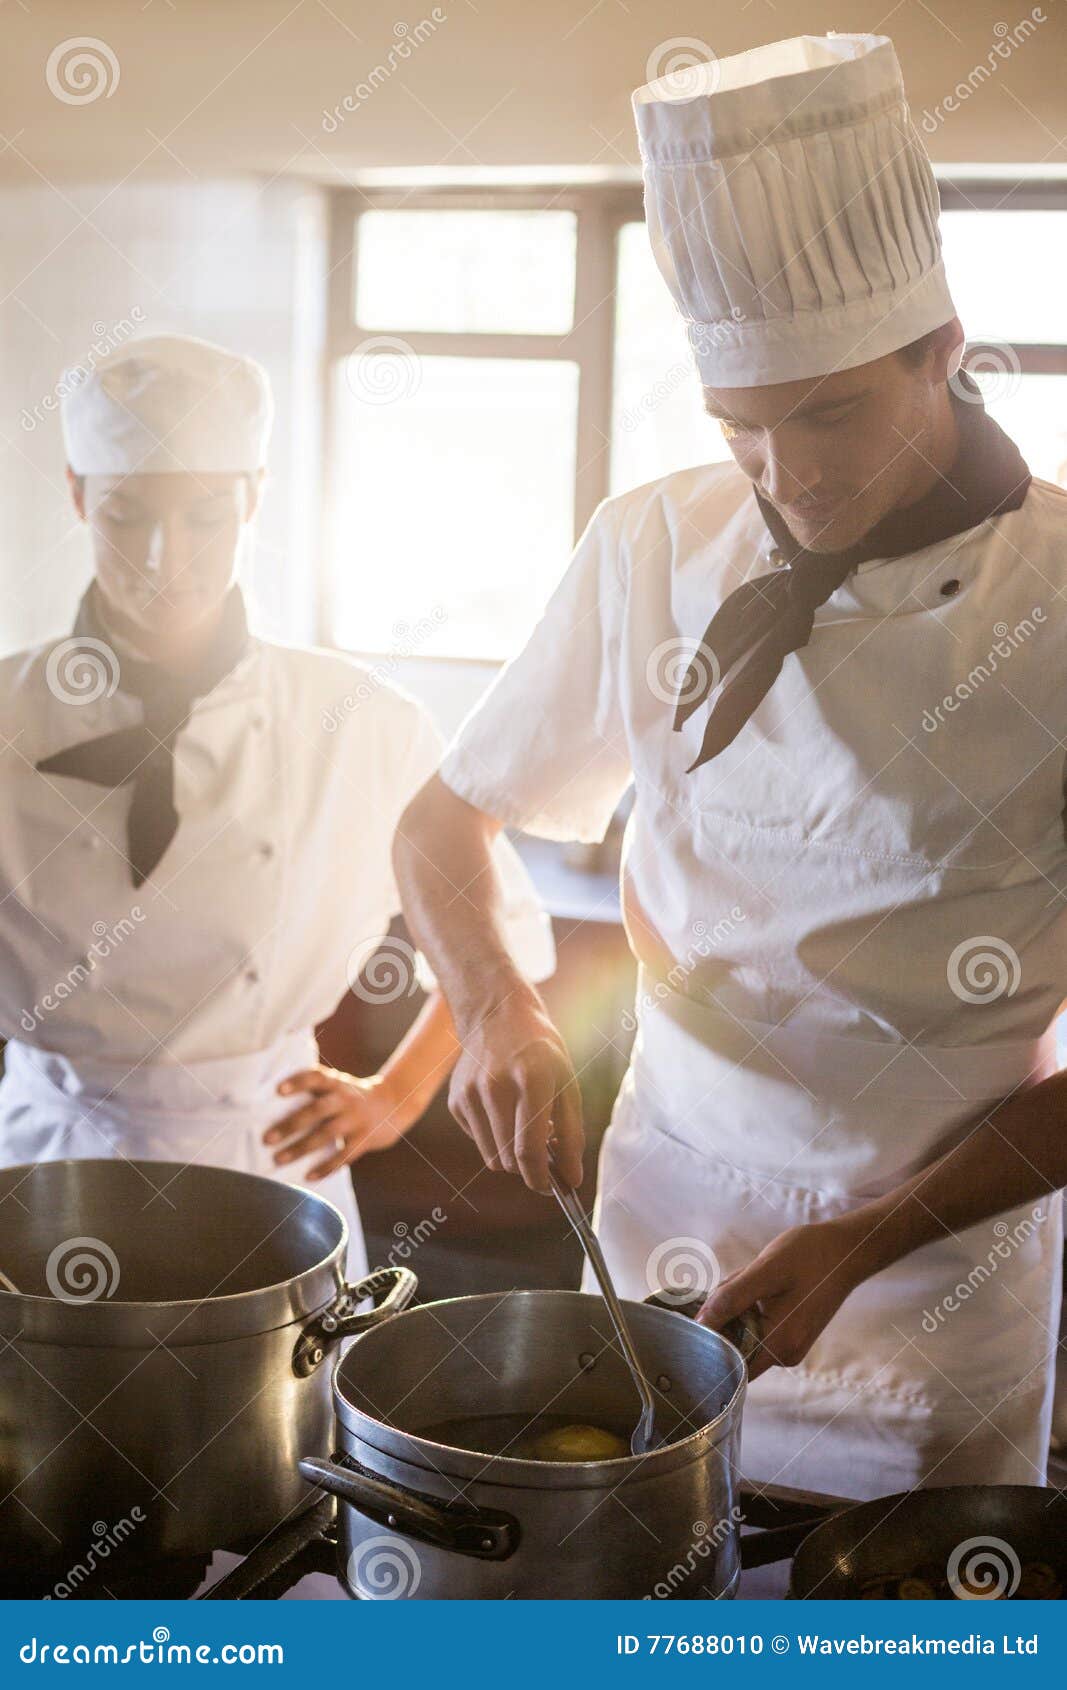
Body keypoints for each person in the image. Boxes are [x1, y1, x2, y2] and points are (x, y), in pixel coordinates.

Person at [392, 33, 1067, 1498]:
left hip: (932, 1274)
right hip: (655, 1215)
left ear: (942, 350)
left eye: (829, 412)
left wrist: (867, 1239)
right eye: (740, 428)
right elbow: (444, 824)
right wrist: (492, 1003)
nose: (789, 475)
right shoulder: (651, 542)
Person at [0, 332, 553, 1276]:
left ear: (253, 498)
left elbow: (499, 942)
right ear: (78, 495)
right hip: (54, 1161)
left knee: (264, 1415)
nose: (166, 558)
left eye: (208, 516)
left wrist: (394, 1096)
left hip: (268, 1156)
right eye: (128, 516)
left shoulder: (356, 721)